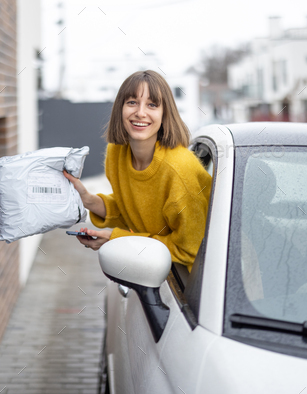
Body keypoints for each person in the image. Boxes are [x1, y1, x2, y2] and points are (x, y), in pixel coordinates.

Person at [63, 70, 212, 271]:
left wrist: (115, 239)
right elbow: (134, 212)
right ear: (120, 108)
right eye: (132, 102)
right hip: (154, 268)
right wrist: (90, 201)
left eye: (152, 105)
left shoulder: (178, 170)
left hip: (205, 283)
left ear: (165, 113)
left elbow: (190, 249)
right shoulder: (116, 153)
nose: (140, 112)